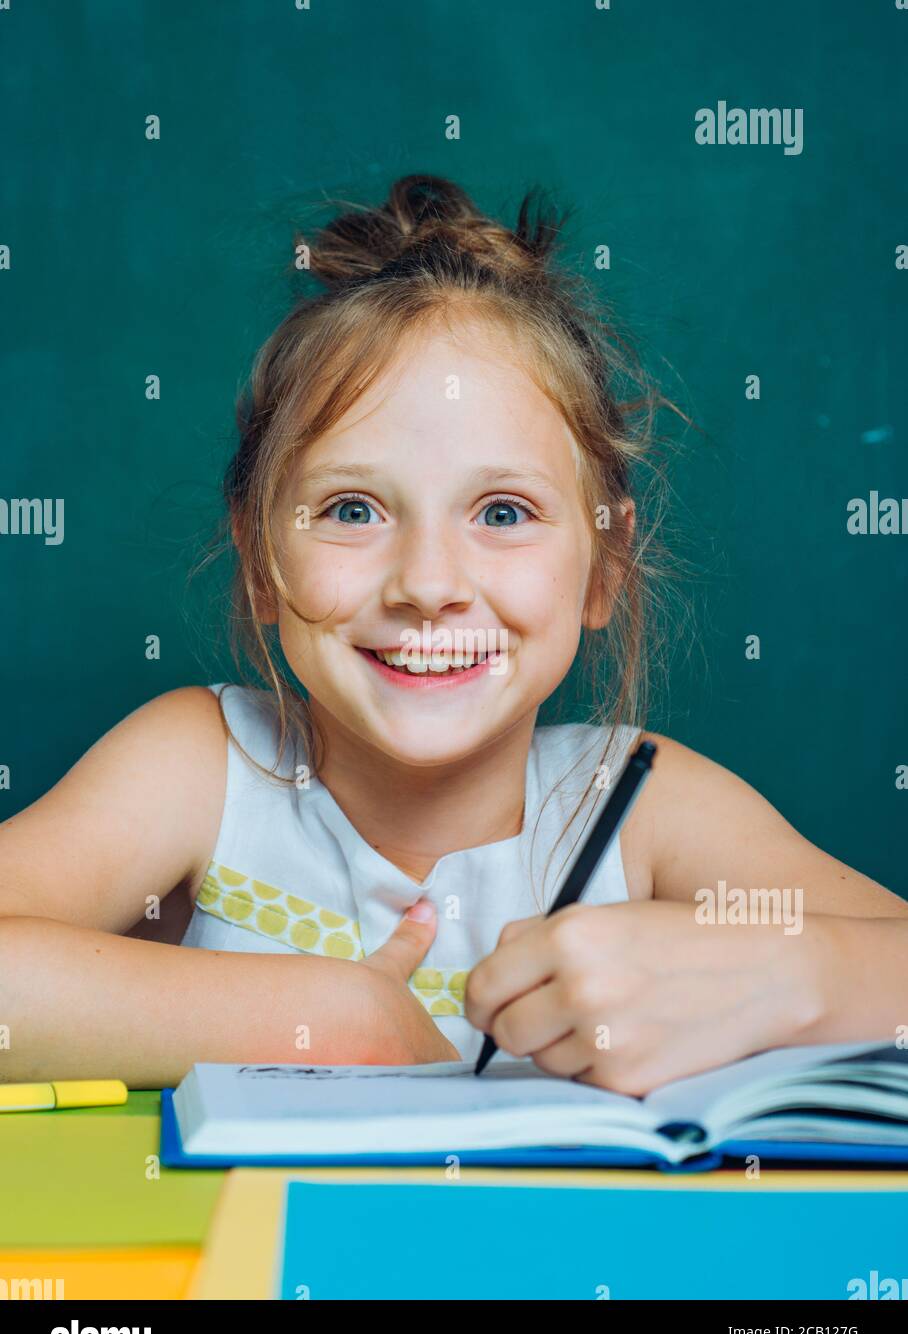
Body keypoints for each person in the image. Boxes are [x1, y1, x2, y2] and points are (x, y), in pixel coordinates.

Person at [2, 174, 905, 1093]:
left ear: (604, 565)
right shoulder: (202, 767)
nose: (428, 586)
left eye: (505, 513)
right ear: (259, 557)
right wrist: (345, 1021)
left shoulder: (640, 807)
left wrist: (780, 980)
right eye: (352, 509)